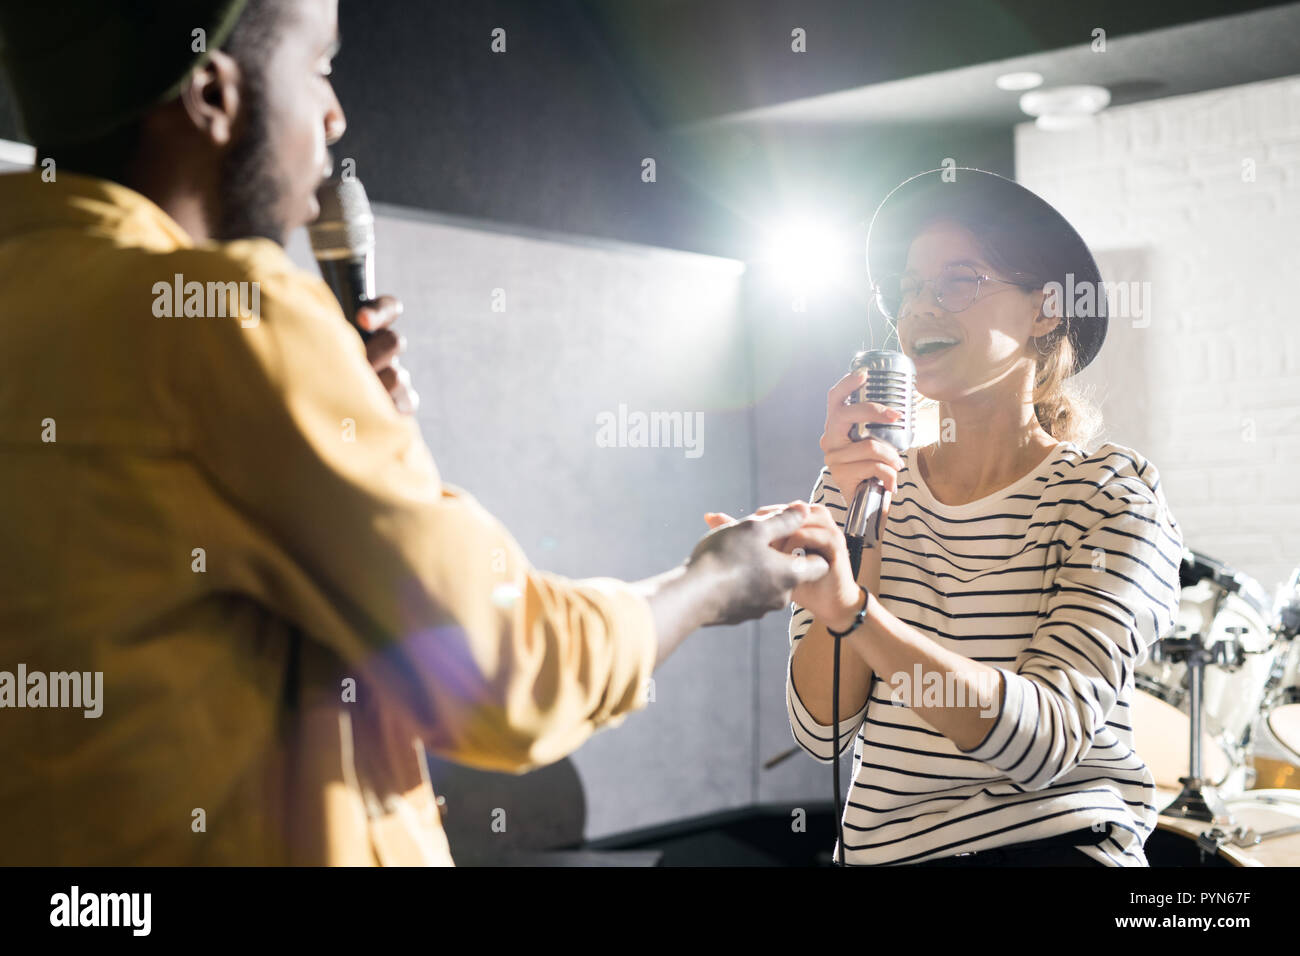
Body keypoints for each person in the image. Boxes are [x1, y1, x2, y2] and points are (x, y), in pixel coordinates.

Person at [0, 0, 832, 865]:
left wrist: (363, 427)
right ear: (212, 92)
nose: (335, 114)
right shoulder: (232, 324)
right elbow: (498, 670)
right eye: (319, 66)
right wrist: (710, 584)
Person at [776, 167, 1185, 866]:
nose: (919, 310)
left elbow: (1044, 742)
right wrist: (861, 525)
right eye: (908, 288)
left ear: (1045, 308)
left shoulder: (1110, 496)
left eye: (957, 282)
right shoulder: (853, 485)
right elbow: (821, 730)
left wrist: (857, 614)